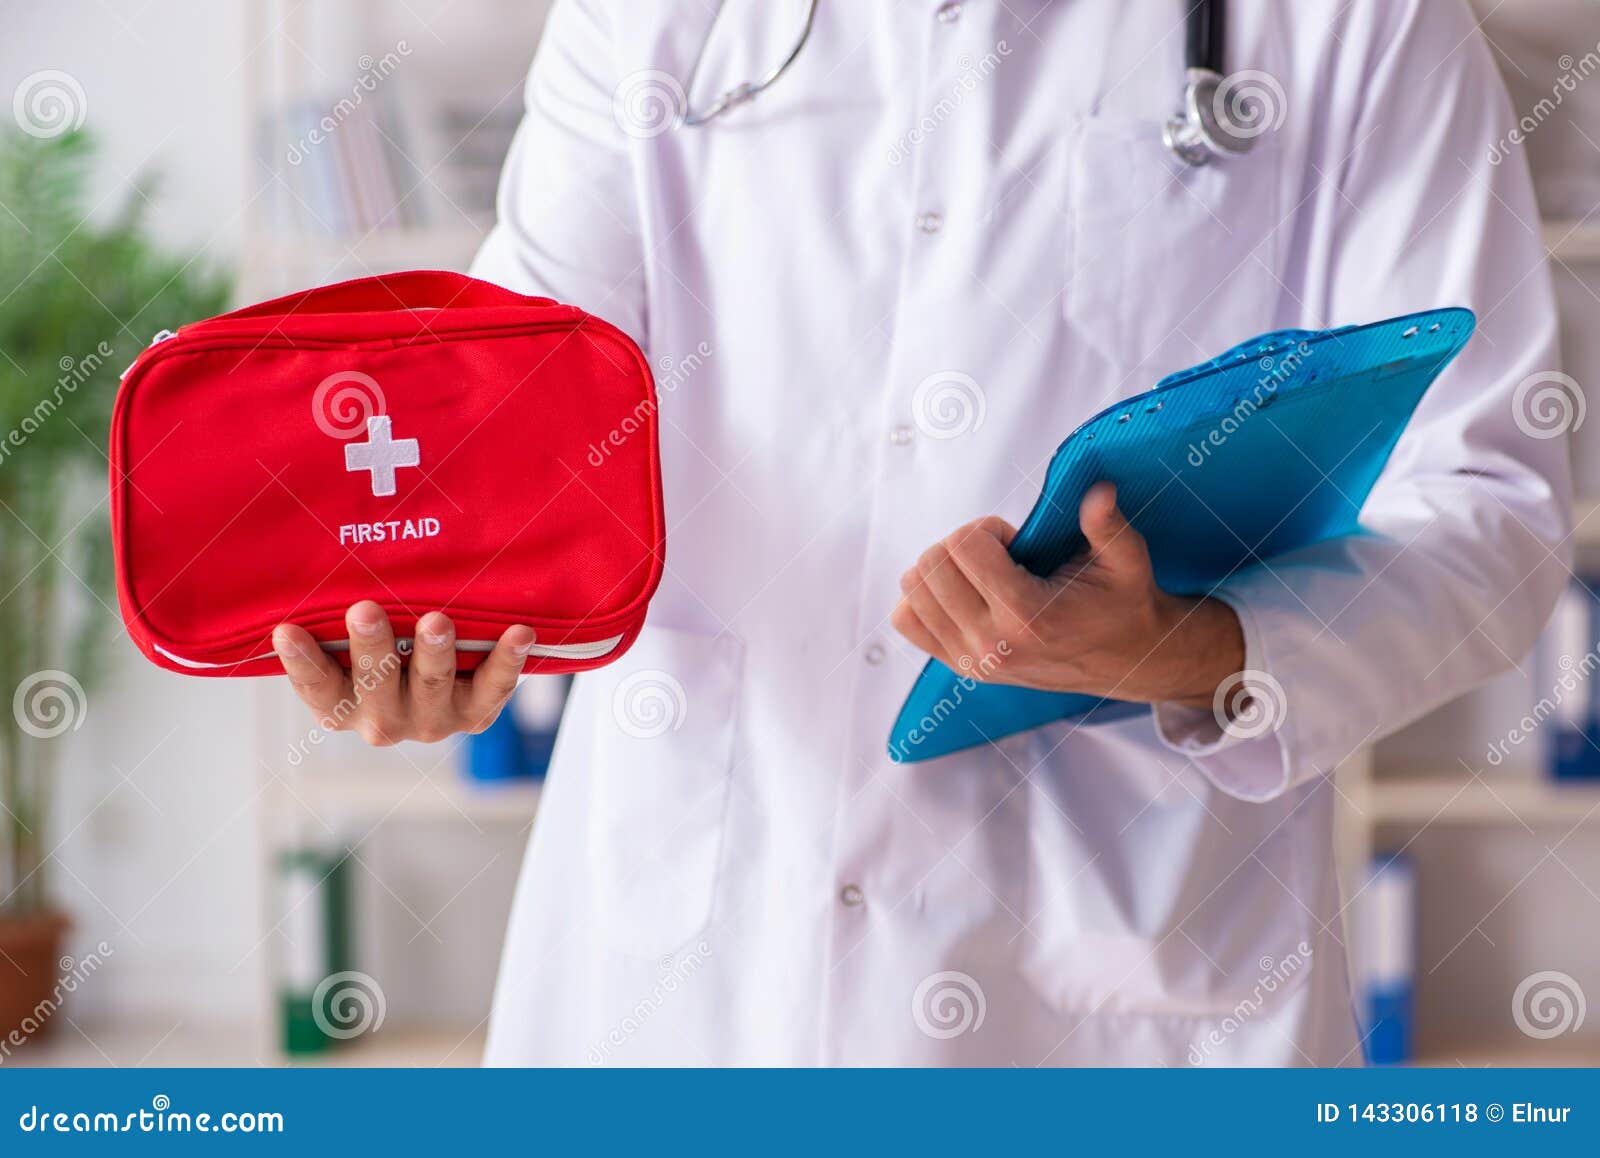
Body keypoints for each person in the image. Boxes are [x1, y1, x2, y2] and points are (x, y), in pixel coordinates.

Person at [271, 0, 1570, 1065]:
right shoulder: (650, 22)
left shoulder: (1360, 26)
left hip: (1113, 1015)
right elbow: (514, 428)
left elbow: (1492, 502)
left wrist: (1198, 646)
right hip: (685, 990)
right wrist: (430, 619)